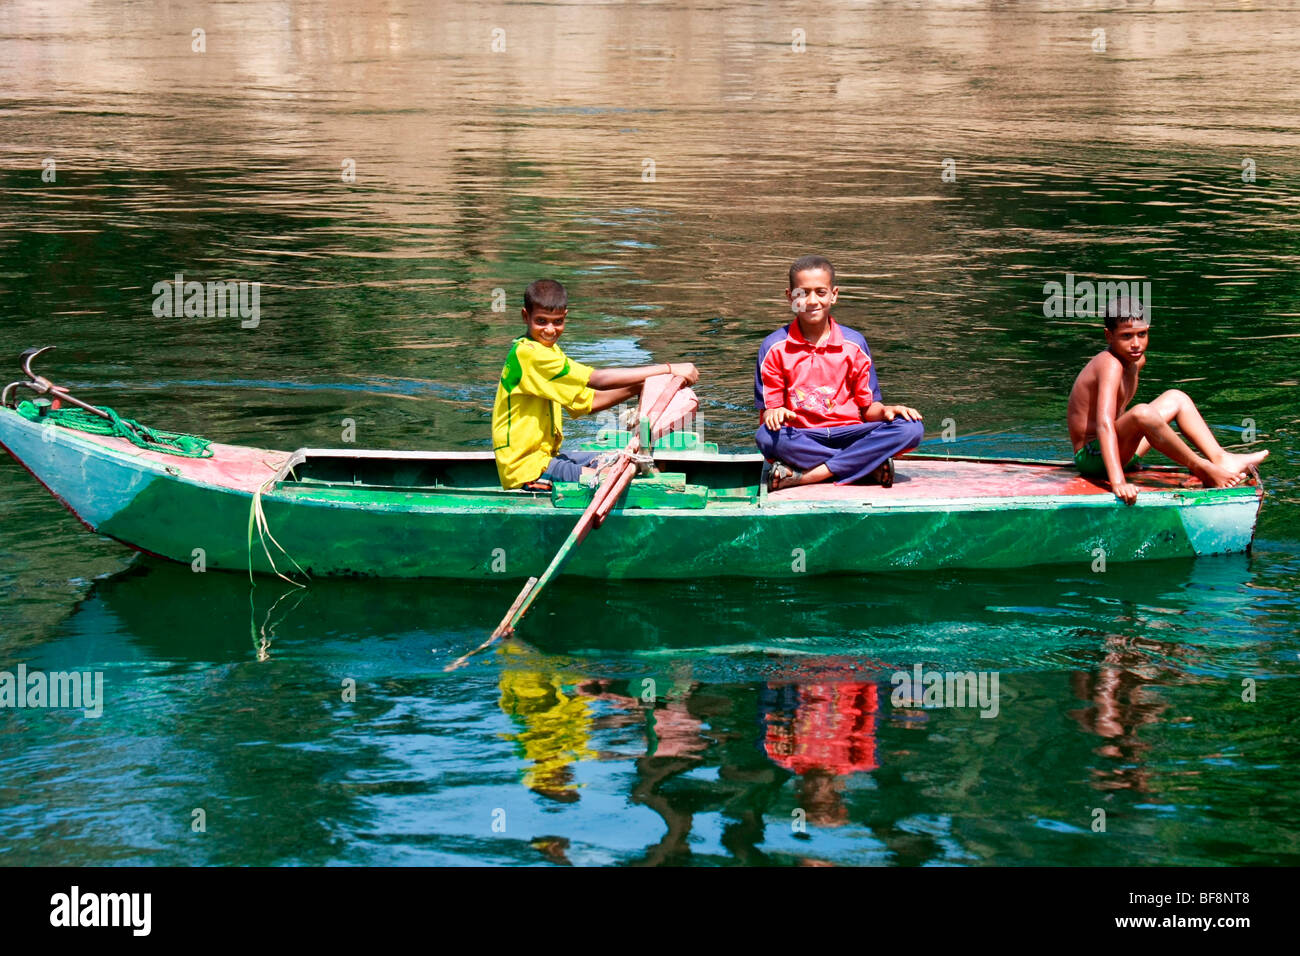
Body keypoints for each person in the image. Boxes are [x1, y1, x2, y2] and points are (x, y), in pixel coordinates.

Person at [492, 278, 699, 490]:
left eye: (557, 322)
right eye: (541, 321)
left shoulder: (547, 351)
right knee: (618, 478)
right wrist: (668, 368)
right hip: (528, 470)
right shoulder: (529, 355)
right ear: (526, 317)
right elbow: (597, 380)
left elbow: (588, 402)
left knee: (625, 464)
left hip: (545, 459)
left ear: (565, 317)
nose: (550, 330)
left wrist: (639, 385)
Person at [1066, 296, 1267, 505]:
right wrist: (1118, 481)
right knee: (1141, 413)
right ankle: (1201, 467)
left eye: (1142, 334)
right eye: (1126, 336)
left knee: (1176, 397)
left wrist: (1127, 452)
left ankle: (1220, 458)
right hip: (1091, 457)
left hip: (1118, 451)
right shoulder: (1110, 364)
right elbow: (1105, 424)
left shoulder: (1136, 361)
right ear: (1109, 336)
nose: (1136, 344)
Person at [755, 255, 923, 490]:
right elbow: (767, 415)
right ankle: (866, 463)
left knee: (911, 427)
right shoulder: (773, 347)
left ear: (834, 294)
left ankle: (810, 476)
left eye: (820, 292)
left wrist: (887, 410)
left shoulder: (854, 344)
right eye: (803, 293)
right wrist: (776, 413)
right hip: (804, 436)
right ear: (790, 297)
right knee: (766, 437)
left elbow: (868, 408)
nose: (812, 301)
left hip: (851, 431)